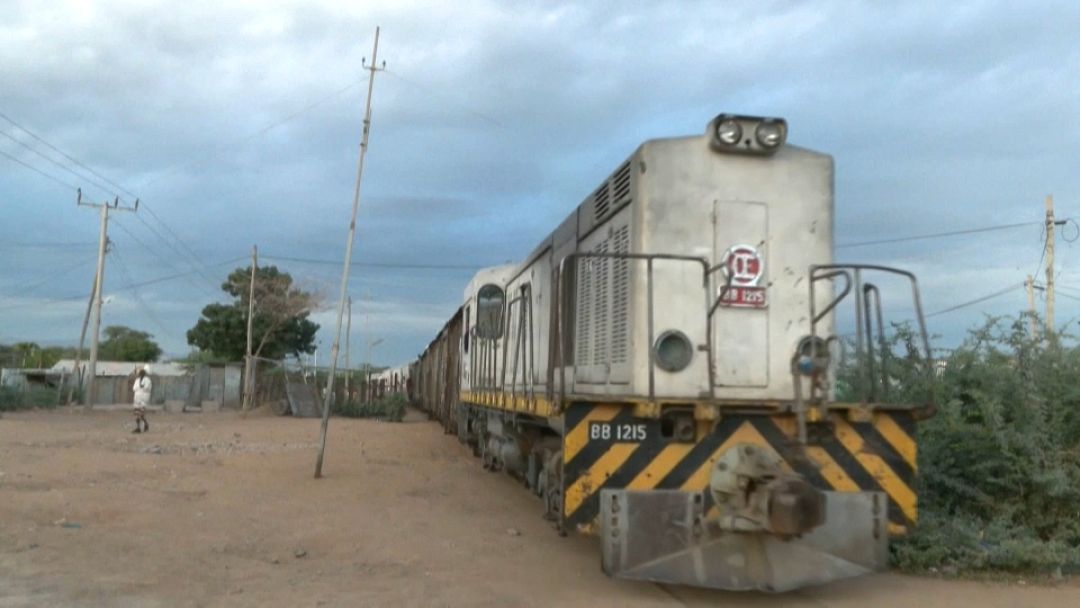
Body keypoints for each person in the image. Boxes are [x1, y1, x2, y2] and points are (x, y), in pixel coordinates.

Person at [132, 366, 152, 433]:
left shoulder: (148, 380)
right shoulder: (137, 380)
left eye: (142, 373)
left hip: (144, 398)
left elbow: (146, 388)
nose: (140, 374)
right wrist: (141, 387)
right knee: (138, 413)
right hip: (137, 397)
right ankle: (146, 424)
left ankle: (138, 428)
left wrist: (140, 388)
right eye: (140, 373)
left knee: (141, 413)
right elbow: (134, 388)